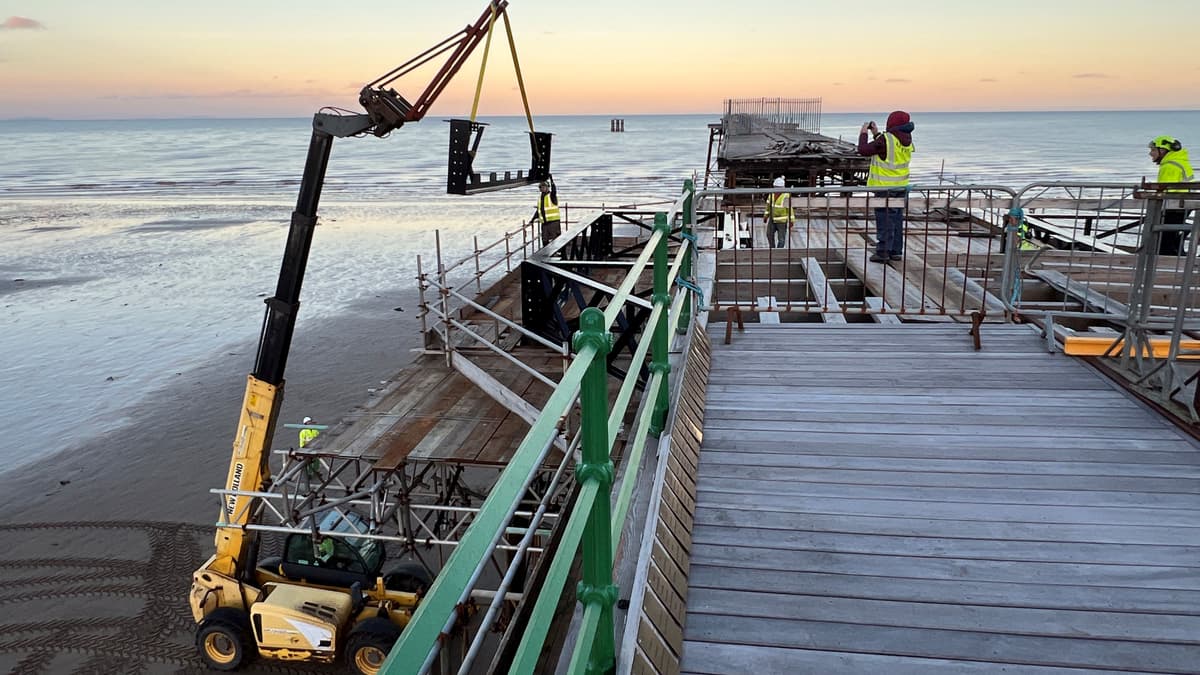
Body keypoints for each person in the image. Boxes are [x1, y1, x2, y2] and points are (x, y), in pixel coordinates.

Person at [858, 110, 915, 263]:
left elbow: (863, 150)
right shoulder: (906, 139)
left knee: (885, 221)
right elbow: (885, 149)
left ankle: (882, 252)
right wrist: (876, 133)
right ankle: (895, 251)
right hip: (901, 187)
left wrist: (863, 133)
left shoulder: (887, 139)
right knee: (896, 220)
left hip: (885, 188)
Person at [1148, 136, 1194, 255]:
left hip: (1173, 206)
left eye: (1153, 150)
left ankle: (1165, 265)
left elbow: (1163, 190)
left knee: (1163, 242)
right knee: (1171, 238)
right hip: (1183, 205)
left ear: (1162, 150)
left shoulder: (1169, 166)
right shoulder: (1181, 162)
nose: (1150, 153)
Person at [765, 176, 793, 248]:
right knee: (769, 234)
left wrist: (791, 220)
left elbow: (790, 209)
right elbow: (768, 206)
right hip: (772, 219)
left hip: (782, 221)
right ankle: (772, 248)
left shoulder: (786, 196)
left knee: (781, 239)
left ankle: (778, 251)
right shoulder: (771, 194)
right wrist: (766, 216)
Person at [534, 177, 561, 246]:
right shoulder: (540, 198)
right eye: (540, 187)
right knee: (544, 240)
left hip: (553, 222)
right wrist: (532, 220)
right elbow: (539, 210)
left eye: (544, 187)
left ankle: (558, 253)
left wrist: (551, 180)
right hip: (544, 223)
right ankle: (546, 254)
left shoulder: (552, 195)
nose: (542, 188)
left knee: (555, 239)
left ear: (548, 187)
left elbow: (554, 190)